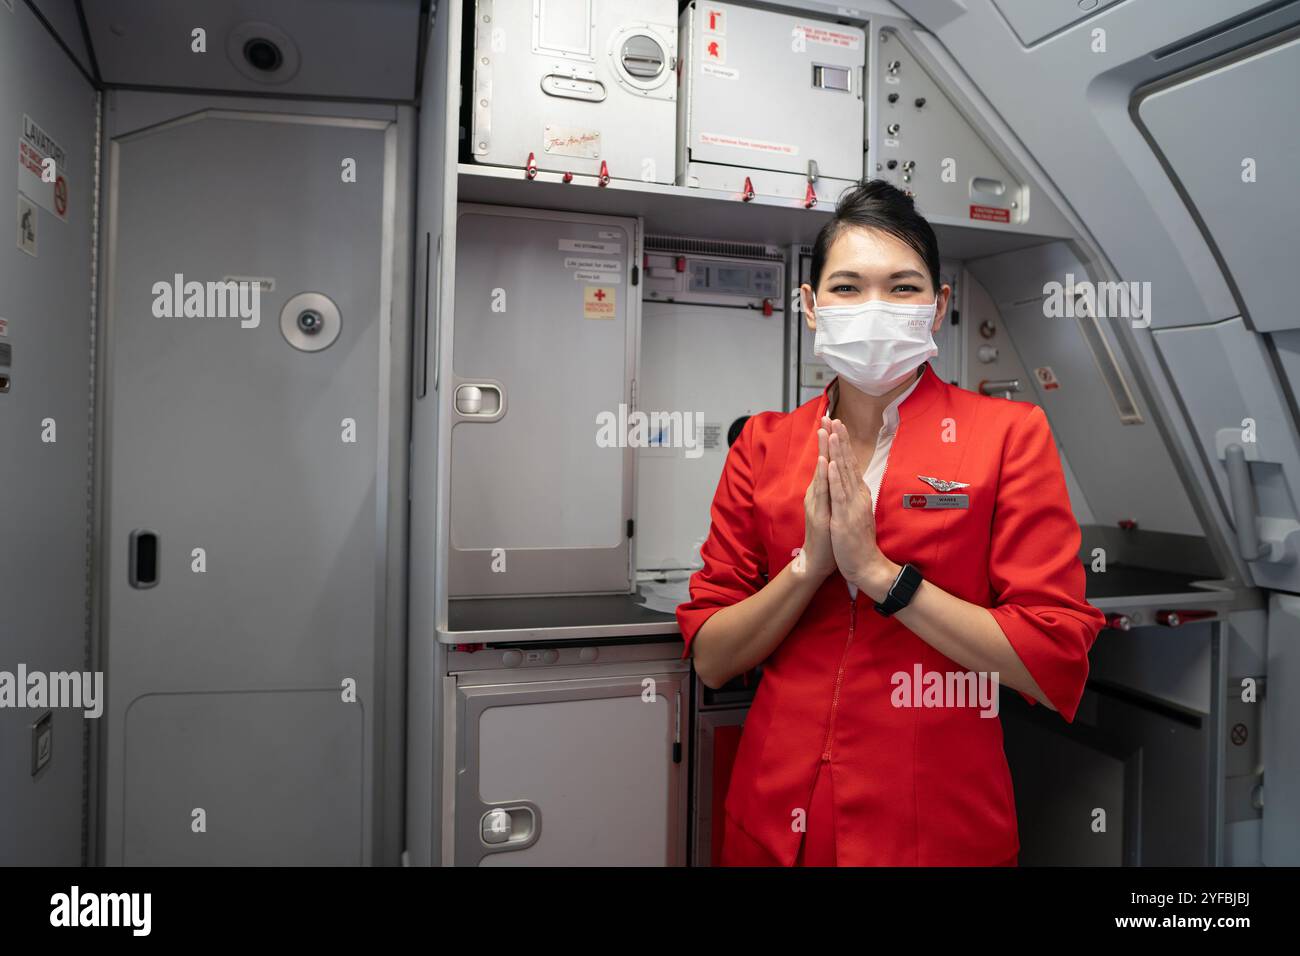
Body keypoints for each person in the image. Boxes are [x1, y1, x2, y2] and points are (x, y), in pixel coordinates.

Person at [676, 179, 1106, 866]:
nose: (874, 307)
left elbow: (1049, 654)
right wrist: (809, 567)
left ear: (938, 308)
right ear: (811, 308)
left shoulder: (1006, 435)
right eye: (847, 288)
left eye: (902, 288)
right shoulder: (764, 445)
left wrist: (881, 577)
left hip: (933, 817)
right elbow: (715, 657)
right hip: (778, 812)